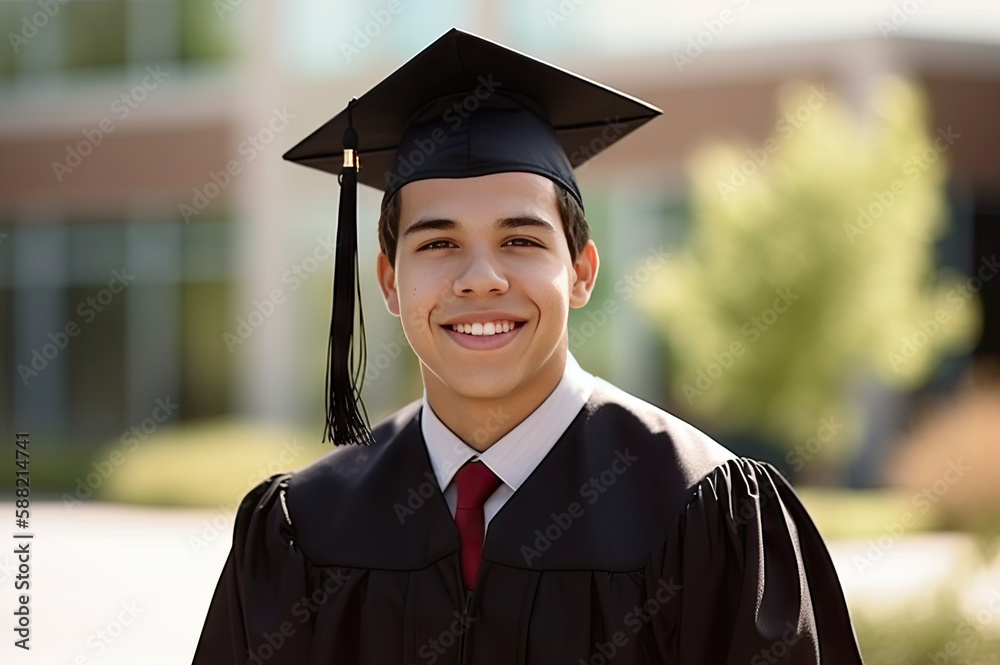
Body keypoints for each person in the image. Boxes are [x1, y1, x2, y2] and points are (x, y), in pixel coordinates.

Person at [192, 28, 865, 664]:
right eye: (439, 243)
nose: (480, 278)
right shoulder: (303, 530)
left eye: (520, 240)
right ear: (390, 282)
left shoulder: (703, 516)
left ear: (581, 272)